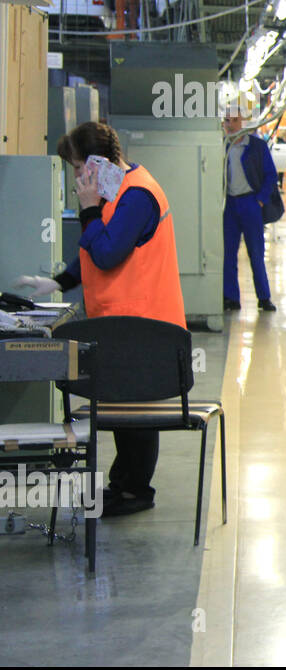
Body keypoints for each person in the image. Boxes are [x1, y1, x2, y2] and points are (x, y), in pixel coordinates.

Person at [12, 121, 185, 518]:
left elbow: (107, 252)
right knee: (122, 406)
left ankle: (136, 490)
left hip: (145, 324)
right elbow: (94, 249)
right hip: (122, 321)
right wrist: (57, 282)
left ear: (96, 163)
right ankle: (122, 484)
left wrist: (89, 208)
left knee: (133, 410)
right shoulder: (116, 191)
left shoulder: (138, 195)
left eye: (77, 168)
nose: (76, 178)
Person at [222, 113, 280, 312]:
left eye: (235, 120)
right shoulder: (222, 146)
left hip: (250, 203)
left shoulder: (256, 147)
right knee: (228, 253)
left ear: (243, 122)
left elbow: (271, 175)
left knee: (256, 252)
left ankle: (264, 297)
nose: (231, 125)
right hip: (229, 204)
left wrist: (260, 200)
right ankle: (230, 298)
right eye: (227, 120)